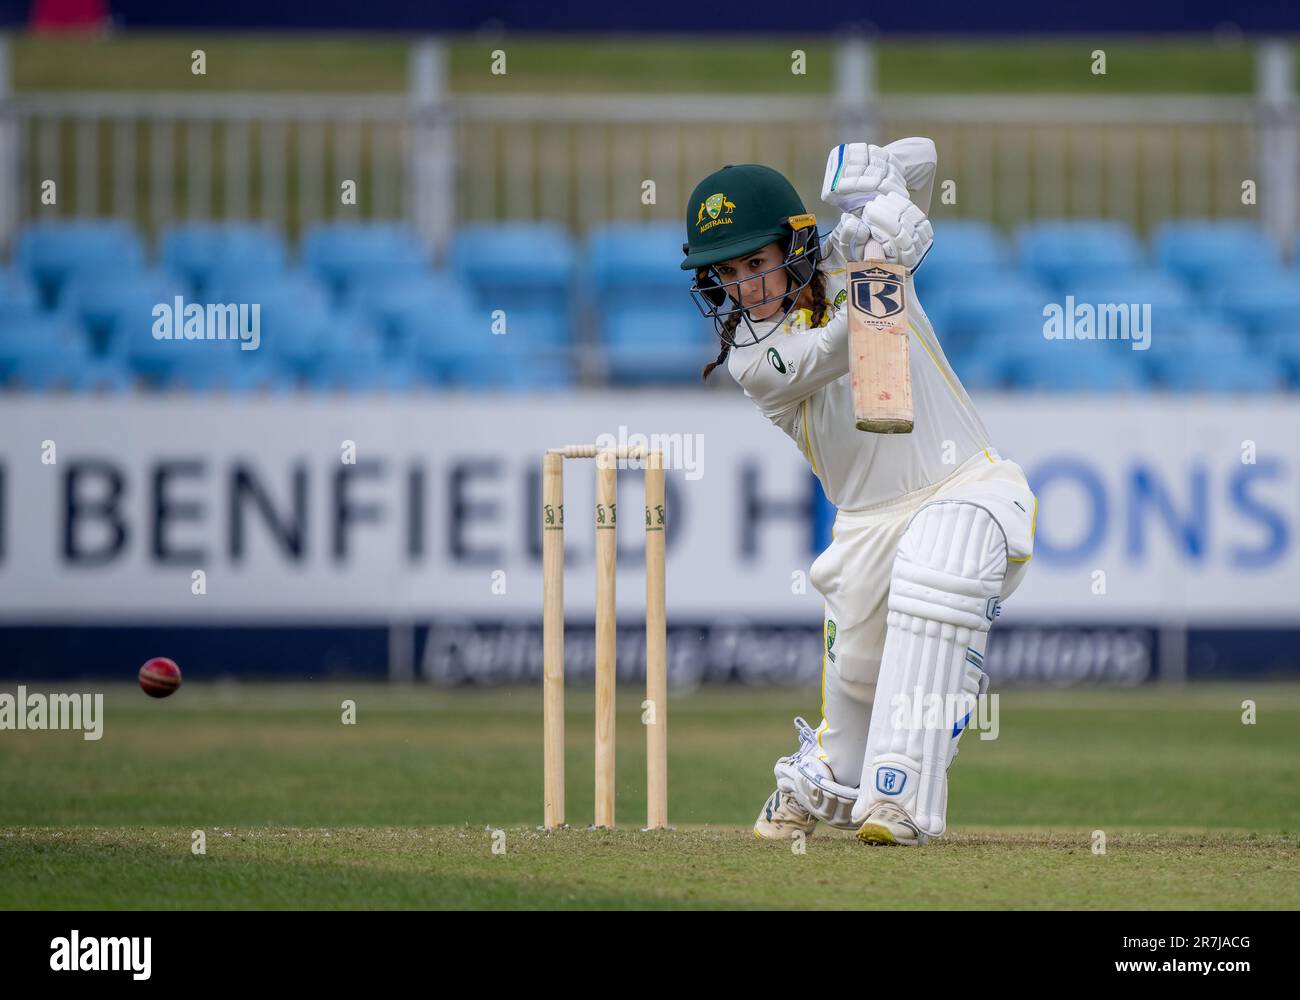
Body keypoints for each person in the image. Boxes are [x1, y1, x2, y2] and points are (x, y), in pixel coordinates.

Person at [680, 140, 1037, 846]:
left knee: (944, 566)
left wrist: (875, 189)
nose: (748, 285)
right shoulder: (756, 359)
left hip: (966, 483)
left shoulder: (855, 255)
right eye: (729, 272)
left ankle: (900, 798)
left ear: (795, 242)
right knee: (856, 714)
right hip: (865, 530)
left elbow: (927, 158)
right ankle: (825, 778)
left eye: (758, 262)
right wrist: (885, 261)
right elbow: (852, 338)